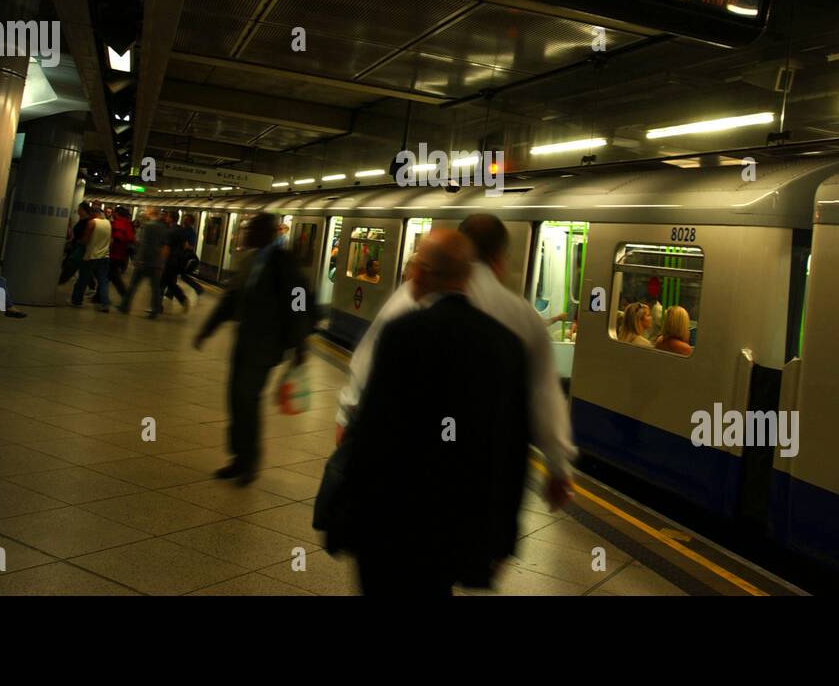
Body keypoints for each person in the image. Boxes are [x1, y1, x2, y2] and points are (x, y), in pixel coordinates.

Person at [331, 229, 531, 595]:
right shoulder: (506, 345)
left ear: (422, 274)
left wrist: (346, 509)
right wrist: (504, 537)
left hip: (394, 513)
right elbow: (514, 448)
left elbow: (375, 429)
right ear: (468, 278)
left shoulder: (403, 332)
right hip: (457, 519)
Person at [336, 213, 575, 509]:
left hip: (409, 462)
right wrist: (557, 467)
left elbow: (367, 364)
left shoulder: (413, 297)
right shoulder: (523, 318)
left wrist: (346, 417)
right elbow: (544, 397)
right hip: (483, 477)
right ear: (500, 258)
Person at [194, 212, 313, 485]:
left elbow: (298, 303)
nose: (245, 234)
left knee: (247, 400)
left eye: (250, 230)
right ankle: (238, 458)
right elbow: (232, 298)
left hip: (265, 346)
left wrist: (300, 347)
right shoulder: (250, 260)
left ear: (266, 233)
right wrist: (207, 329)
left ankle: (249, 463)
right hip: (245, 341)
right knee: (235, 399)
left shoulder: (283, 262)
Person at [119, 207, 169, 318]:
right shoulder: (163, 228)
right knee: (155, 288)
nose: (145, 213)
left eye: (147, 211)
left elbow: (144, 244)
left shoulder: (148, 226)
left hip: (144, 262)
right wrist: (161, 263)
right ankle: (155, 310)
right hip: (156, 263)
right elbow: (165, 247)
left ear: (151, 213)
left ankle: (124, 306)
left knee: (133, 285)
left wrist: (138, 259)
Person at [71, 205, 112, 311]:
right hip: (105, 256)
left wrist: (78, 243)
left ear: (94, 214)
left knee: (83, 279)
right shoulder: (108, 223)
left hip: (91, 256)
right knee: (103, 281)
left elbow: (85, 240)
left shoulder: (92, 222)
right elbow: (111, 240)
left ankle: (76, 300)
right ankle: (105, 304)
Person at [160, 211, 191, 313]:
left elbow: (166, 248)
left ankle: (156, 306)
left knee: (160, 284)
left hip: (169, 261)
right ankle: (183, 299)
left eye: (168, 217)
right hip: (177, 262)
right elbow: (186, 246)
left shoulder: (170, 231)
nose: (166, 218)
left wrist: (162, 262)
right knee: (170, 283)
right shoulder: (181, 230)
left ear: (171, 219)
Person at [108, 206, 135, 301]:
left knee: (114, 277)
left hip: (115, 254)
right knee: (108, 276)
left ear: (117, 213)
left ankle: (126, 296)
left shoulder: (118, 223)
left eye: (114, 212)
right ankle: (98, 296)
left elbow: (117, 238)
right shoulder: (128, 223)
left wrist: (110, 246)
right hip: (122, 255)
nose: (113, 213)